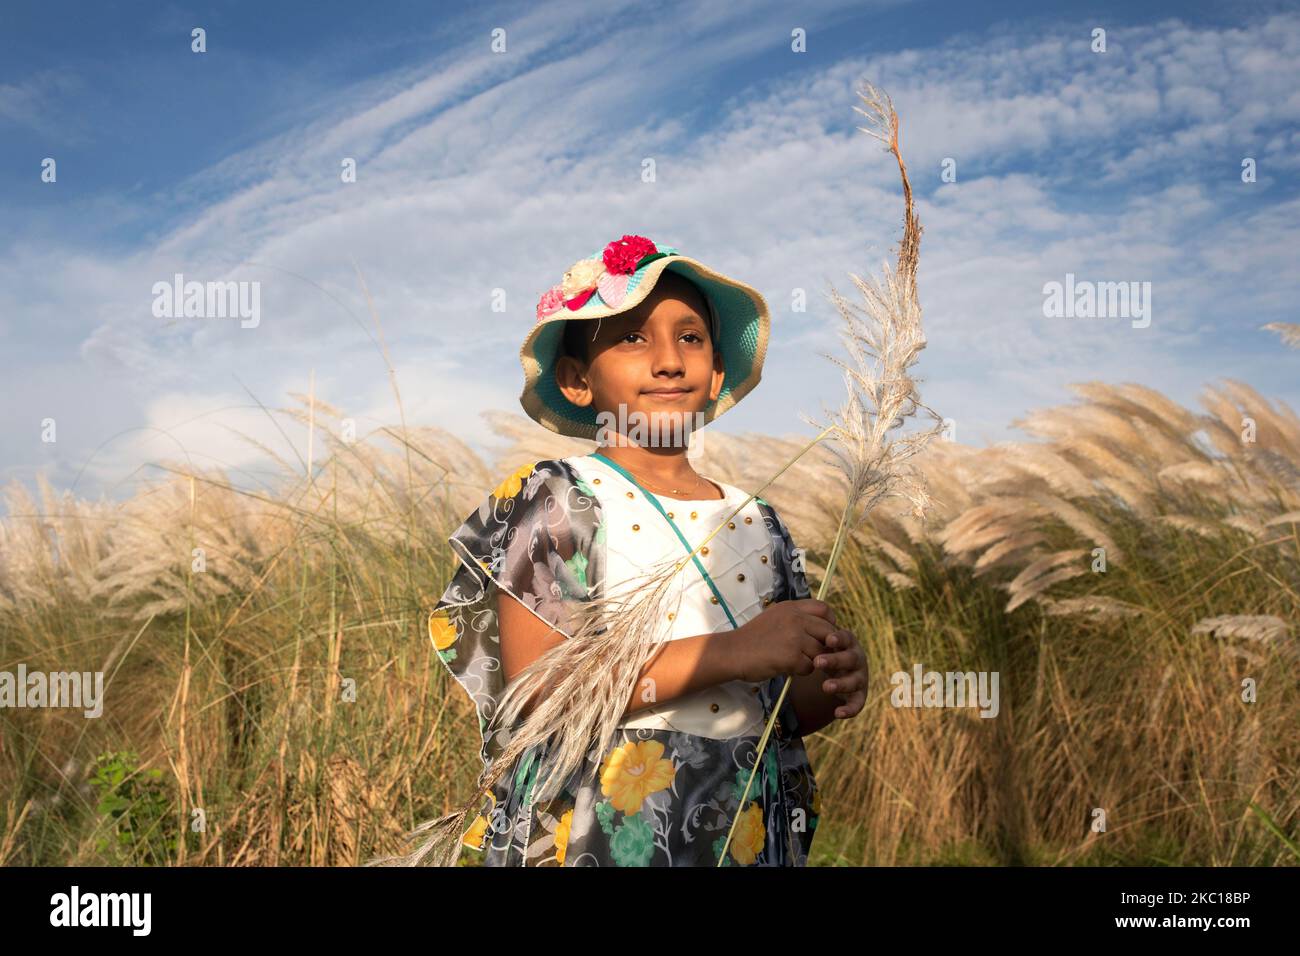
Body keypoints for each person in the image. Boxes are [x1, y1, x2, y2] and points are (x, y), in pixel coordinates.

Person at [426, 234, 868, 866]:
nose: (668, 360)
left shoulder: (758, 520)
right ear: (578, 380)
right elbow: (543, 695)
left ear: (716, 373)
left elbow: (777, 711)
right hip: (603, 825)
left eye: (690, 338)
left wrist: (833, 681)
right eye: (632, 337)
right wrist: (733, 650)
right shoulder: (561, 498)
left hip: (738, 824)